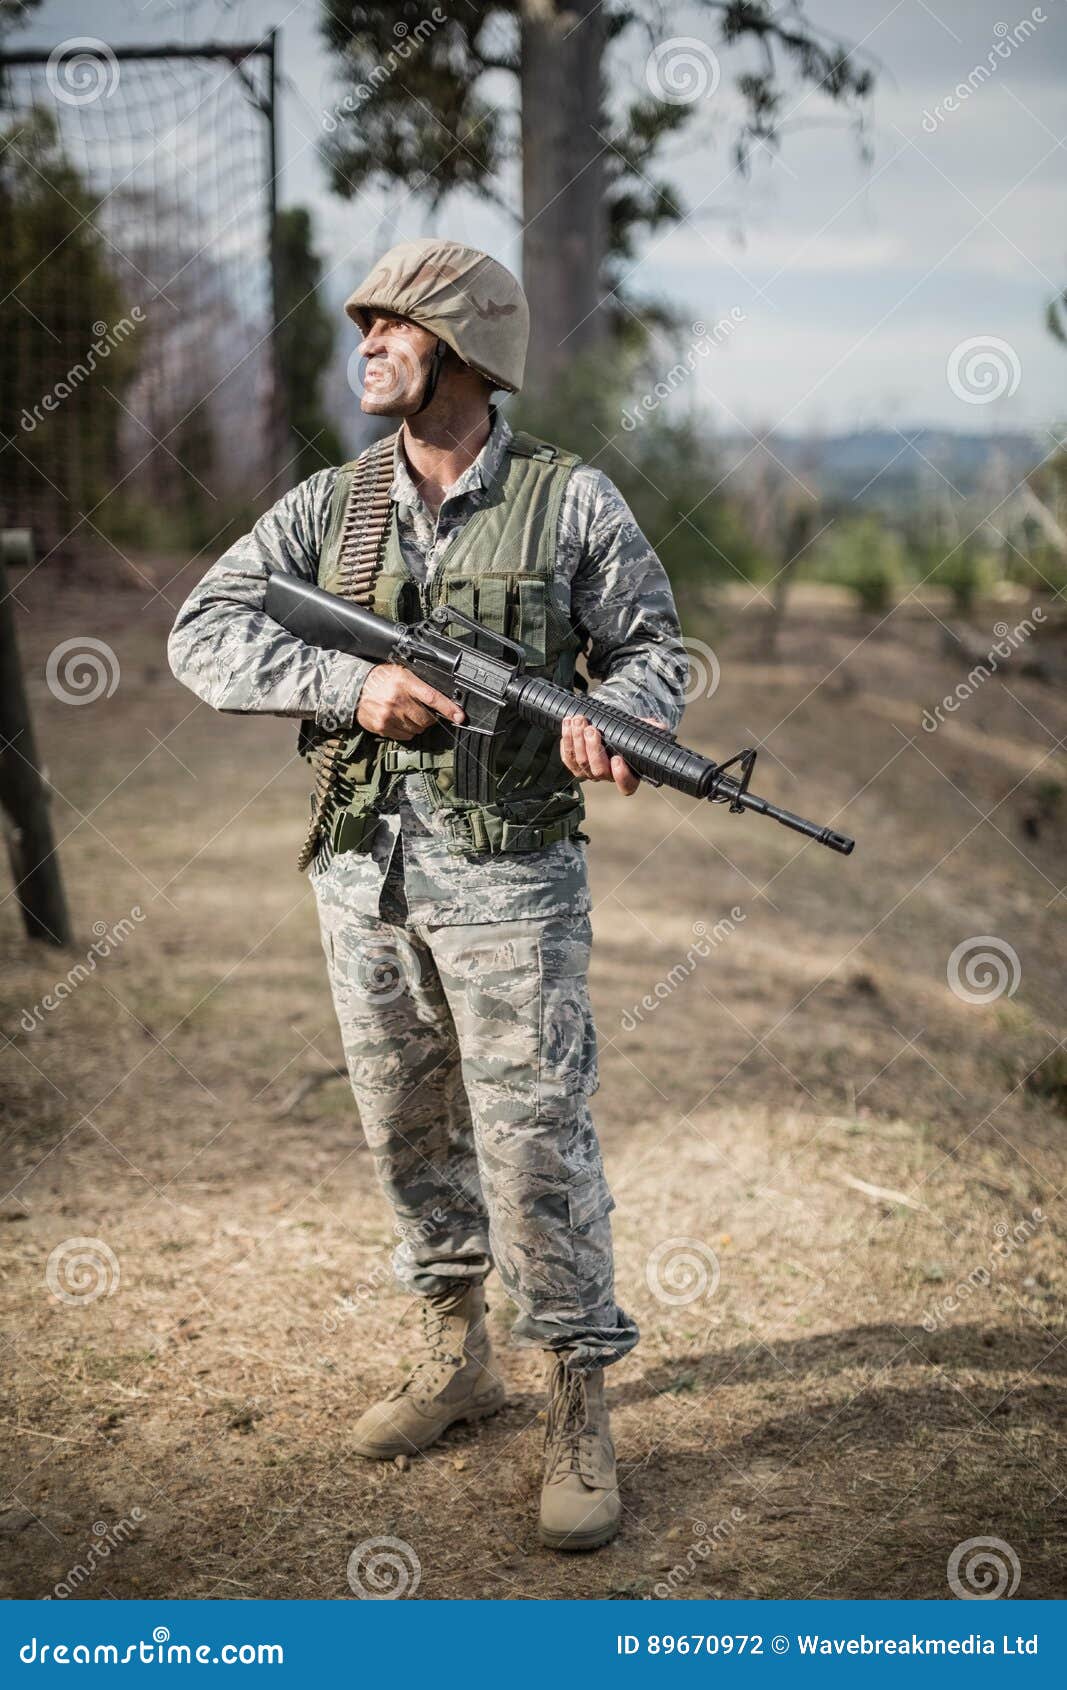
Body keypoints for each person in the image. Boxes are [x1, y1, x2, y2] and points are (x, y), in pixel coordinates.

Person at [168, 237, 688, 1552]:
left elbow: (652, 651)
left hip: (513, 875)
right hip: (362, 867)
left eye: (393, 325)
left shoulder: (572, 502)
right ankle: (457, 1350)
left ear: (458, 348)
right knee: (406, 1124)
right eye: (365, 326)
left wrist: (615, 720)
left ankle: (576, 1389)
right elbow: (201, 628)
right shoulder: (333, 507)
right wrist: (353, 688)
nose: (368, 345)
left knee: (534, 1138)